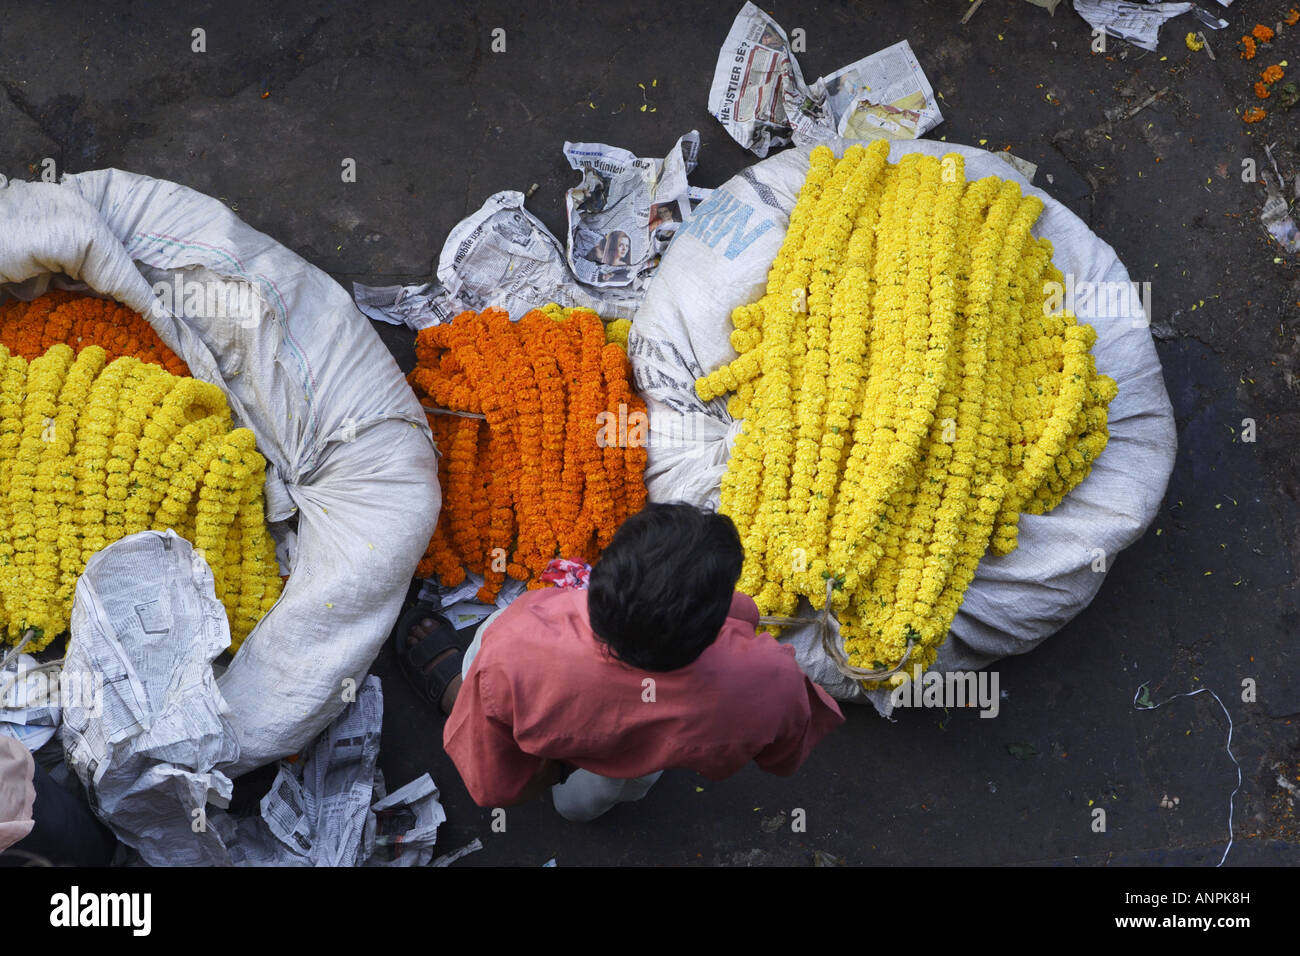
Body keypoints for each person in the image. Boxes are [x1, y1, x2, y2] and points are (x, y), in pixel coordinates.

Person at [401, 503, 845, 822]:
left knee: (486, 675)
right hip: (632, 765)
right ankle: (582, 786)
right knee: (582, 803)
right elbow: (784, 757)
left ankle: (459, 699)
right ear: (710, 629)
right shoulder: (770, 682)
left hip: (537, 725)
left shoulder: (519, 639)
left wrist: (557, 764)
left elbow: (492, 787)